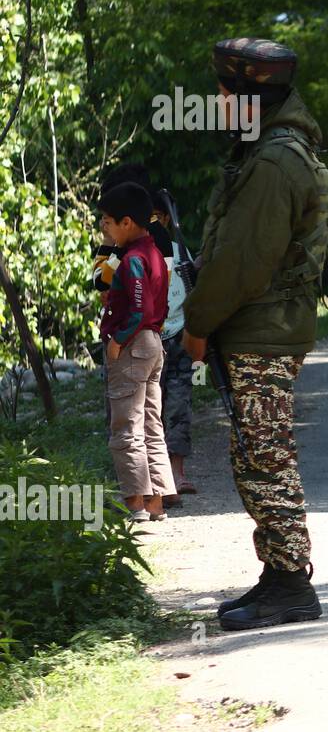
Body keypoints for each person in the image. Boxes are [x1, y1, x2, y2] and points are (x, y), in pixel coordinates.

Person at [181, 38, 328, 632]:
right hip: (259, 326)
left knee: (266, 454)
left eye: (223, 93)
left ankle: (293, 583)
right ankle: (277, 576)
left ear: (249, 97)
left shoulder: (273, 162)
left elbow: (243, 259)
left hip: (261, 329)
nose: (217, 103)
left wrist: (197, 324)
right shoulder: (266, 151)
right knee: (253, 452)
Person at [97, 181, 175, 522]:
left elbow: (139, 308)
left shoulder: (132, 260)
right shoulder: (156, 253)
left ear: (126, 223)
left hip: (133, 345)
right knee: (150, 424)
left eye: (108, 222)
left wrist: (118, 339)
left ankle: (135, 504)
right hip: (155, 344)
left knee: (126, 426)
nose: (104, 228)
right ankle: (156, 503)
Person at [152, 189, 197, 506]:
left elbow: (193, 288)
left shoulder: (180, 252)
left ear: (166, 219)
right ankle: (154, 479)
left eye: (155, 217)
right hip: (150, 339)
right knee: (151, 408)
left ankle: (177, 473)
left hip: (179, 337)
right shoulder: (135, 254)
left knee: (179, 406)